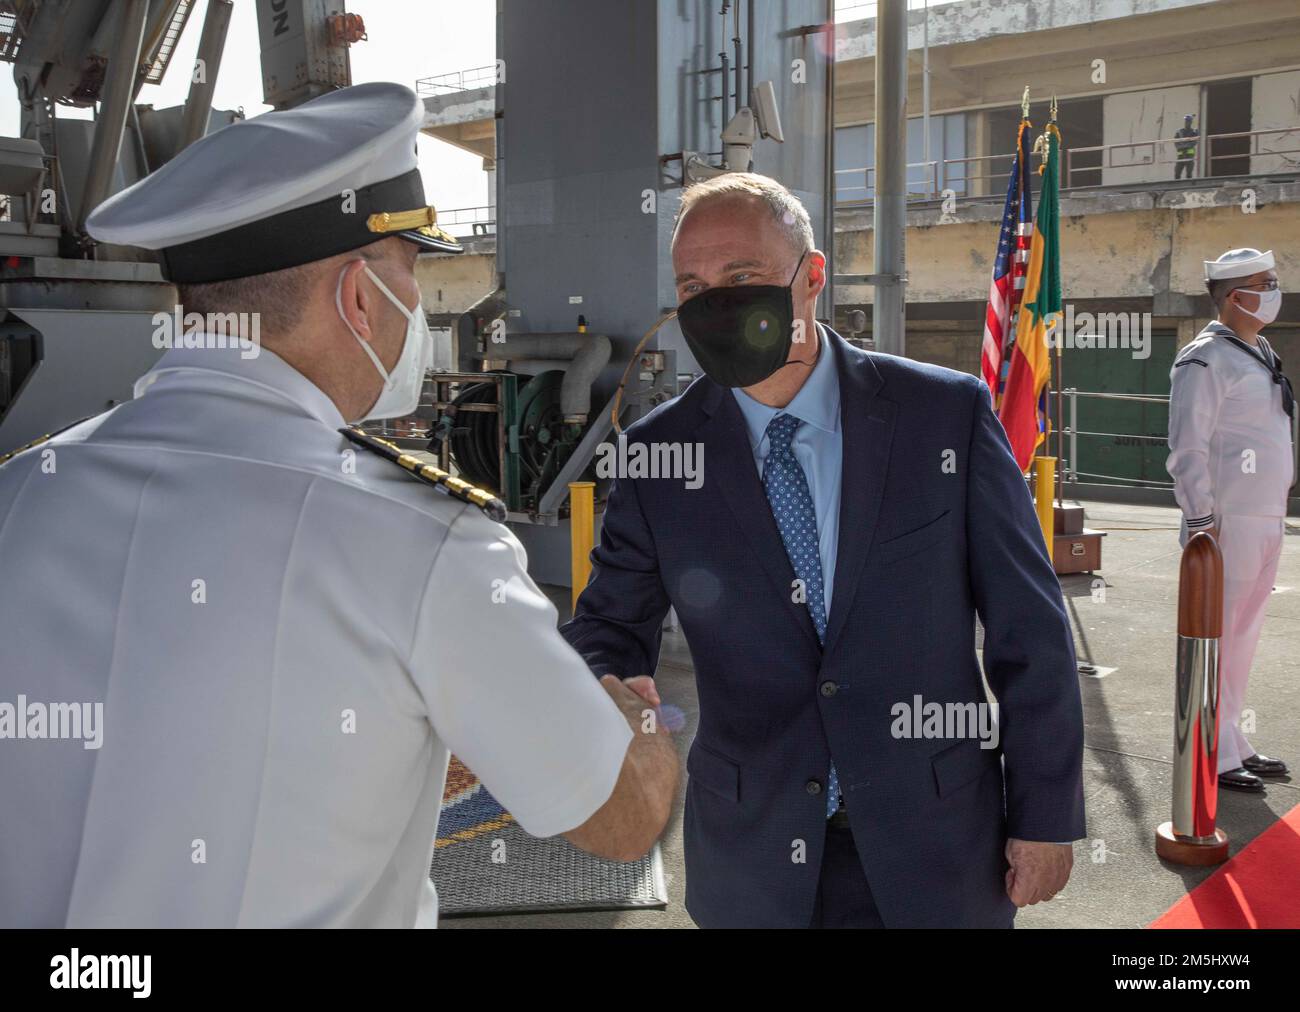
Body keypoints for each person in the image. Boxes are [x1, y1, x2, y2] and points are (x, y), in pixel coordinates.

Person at [0, 82, 677, 928]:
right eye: (411, 276)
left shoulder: (21, 496)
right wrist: (637, 729)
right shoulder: (422, 543)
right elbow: (617, 820)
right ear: (360, 299)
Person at [561, 173, 1085, 928]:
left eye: (743, 277)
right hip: (754, 858)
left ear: (812, 277)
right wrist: (604, 690)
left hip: (936, 846)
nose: (717, 303)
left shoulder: (944, 417)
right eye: (694, 286)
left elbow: (1029, 631)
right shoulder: (657, 453)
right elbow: (609, 625)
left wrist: (1045, 815)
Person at [1167, 246, 1293, 793]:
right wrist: (1202, 521)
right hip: (1226, 523)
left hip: (1265, 518)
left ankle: (1232, 738)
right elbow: (1186, 447)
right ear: (1235, 296)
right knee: (1215, 638)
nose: (1274, 289)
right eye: (1264, 283)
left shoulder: (1258, 349)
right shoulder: (1205, 357)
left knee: (1242, 637)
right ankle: (1211, 753)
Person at [1174, 114, 1199, 180]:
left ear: (1191, 122)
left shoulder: (1194, 132)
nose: (1187, 122)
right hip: (1181, 156)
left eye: (1188, 121)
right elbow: (1176, 143)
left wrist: (1183, 145)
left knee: (1189, 174)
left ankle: (1188, 187)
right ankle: (1177, 187)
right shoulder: (1179, 132)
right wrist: (1184, 145)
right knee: (1177, 173)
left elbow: (1194, 142)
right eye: (1186, 121)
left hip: (1189, 156)